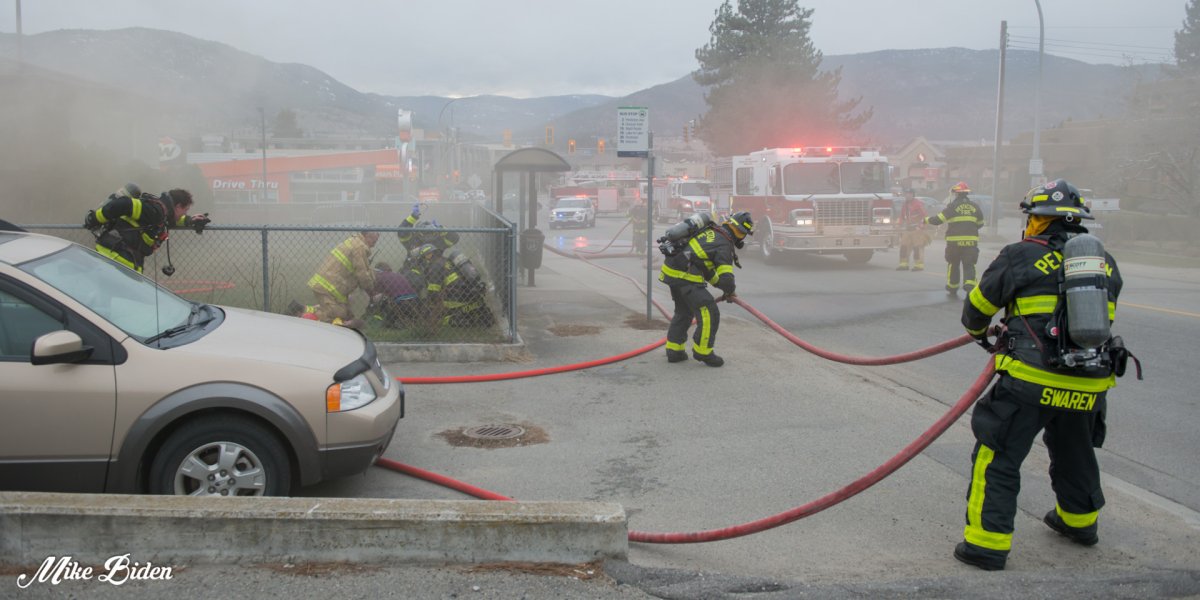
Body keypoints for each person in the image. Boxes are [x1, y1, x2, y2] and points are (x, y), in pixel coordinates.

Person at [954, 179, 1129, 571]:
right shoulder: (1104, 262)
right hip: (1089, 383)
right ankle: (1079, 524)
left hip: (1031, 382)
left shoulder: (1021, 254)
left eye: (1030, 218)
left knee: (997, 454)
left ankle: (986, 544)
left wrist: (982, 333)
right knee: (1075, 452)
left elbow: (978, 306)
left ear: (1039, 221)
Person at [658, 211, 754, 367]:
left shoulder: (712, 230)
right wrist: (729, 291)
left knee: (683, 312)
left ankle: (674, 351)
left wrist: (722, 287)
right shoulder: (724, 244)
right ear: (741, 233)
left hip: (671, 271)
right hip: (685, 276)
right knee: (710, 312)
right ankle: (703, 352)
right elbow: (726, 278)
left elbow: (705, 267)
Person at [84, 183, 210, 273]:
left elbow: (169, 221)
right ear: (178, 206)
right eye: (185, 210)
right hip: (115, 260)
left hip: (122, 261)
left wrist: (190, 220)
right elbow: (124, 204)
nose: (185, 213)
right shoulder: (154, 210)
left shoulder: (162, 213)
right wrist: (95, 218)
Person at [305, 230, 379, 328]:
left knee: (346, 315)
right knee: (335, 315)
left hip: (332, 288)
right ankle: (304, 315)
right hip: (328, 288)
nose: (373, 246)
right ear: (366, 236)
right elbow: (362, 273)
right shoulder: (359, 247)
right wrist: (371, 289)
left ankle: (309, 313)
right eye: (373, 242)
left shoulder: (354, 242)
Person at [926, 182, 984, 296]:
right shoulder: (975, 206)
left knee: (953, 264)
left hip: (954, 243)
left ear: (956, 194)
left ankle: (953, 286)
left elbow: (938, 219)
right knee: (969, 264)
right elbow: (980, 223)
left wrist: (926, 220)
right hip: (971, 243)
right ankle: (970, 286)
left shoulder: (952, 206)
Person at [438, 248, 495, 328]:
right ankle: (478, 319)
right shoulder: (468, 274)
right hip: (472, 296)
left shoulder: (442, 266)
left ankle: (465, 320)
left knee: (444, 320)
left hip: (457, 300)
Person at [896, 189, 930, 271]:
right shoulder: (905, 205)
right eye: (906, 193)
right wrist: (898, 224)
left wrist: (921, 227)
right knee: (904, 246)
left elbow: (926, 217)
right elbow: (901, 216)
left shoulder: (918, 204)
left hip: (917, 230)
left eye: (909, 194)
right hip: (907, 229)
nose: (907, 195)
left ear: (913, 195)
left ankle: (919, 266)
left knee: (917, 248)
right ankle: (903, 265)